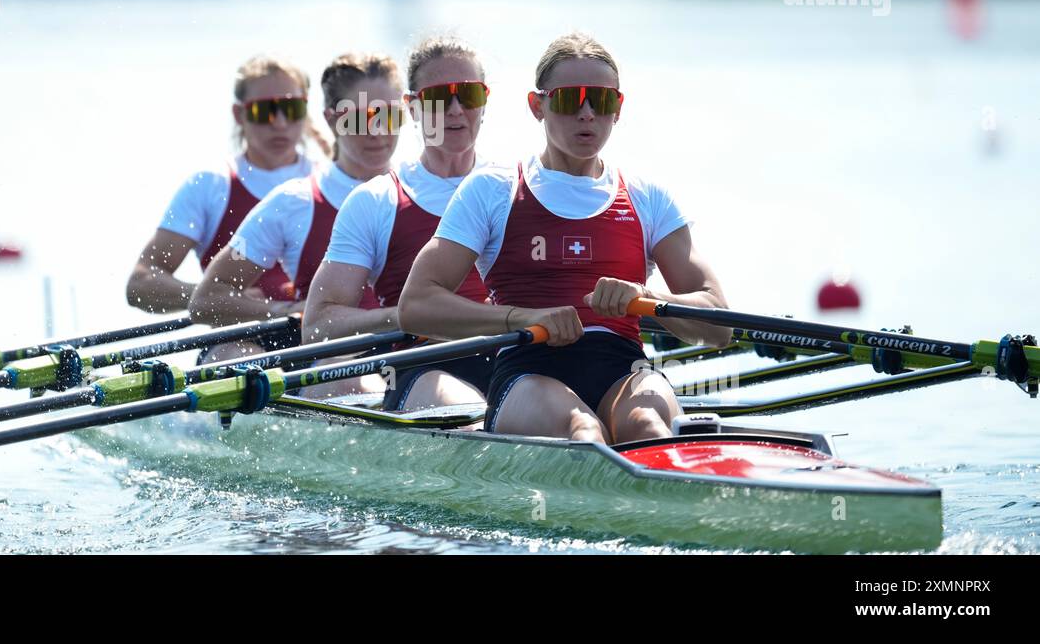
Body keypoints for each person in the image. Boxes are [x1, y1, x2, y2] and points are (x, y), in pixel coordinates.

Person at [398, 32, 731, 444]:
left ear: (618, 109)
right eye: (570, 100)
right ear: (537, 106)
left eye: (602, 100)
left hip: (623, 367)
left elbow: (719, 325)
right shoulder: (493, 189)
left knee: (647, 427)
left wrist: (643, 298)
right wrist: (523, 317)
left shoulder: (648, 197)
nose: (587, 113)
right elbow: (416, 304)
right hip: (527, 368)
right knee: (584, 431)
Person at [303, 35, 493, 410]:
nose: (455, 110)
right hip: (424, 371)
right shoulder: (376, 200)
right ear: (412, 106)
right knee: (470, 409)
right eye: (440, 98)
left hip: (515, 361)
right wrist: (406, 316)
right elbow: (318, 327)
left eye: (468, 95)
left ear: (484, 102)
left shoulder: (516, 188)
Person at [189, 53, 403, 366]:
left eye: (388, 116)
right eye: (359, 117)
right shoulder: (290, 204)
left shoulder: (429, 193)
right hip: (334, 365)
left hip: (413, 356)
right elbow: (206, 300)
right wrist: (280, 310)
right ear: (331, 119)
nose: (376, 131)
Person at [126, 55, 323, 316]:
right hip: (238, 337)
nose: (280, 122)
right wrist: (214, 295)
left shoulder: (330, 182)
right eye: (264, 111)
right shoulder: (209, 186)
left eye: (292, 109)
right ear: (239, 114)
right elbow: (140, 283)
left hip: (319, 337)